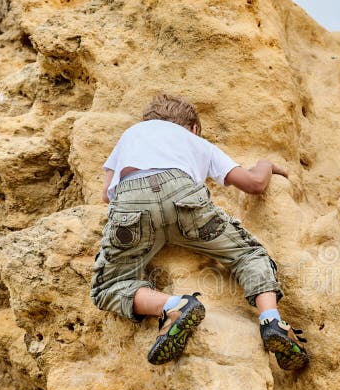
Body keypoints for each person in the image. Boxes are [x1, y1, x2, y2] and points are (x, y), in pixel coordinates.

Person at [89, 94, 308, 370]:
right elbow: (254, 183)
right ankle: (271, 320)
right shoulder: (196, 142)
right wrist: (266, 164)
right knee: (248, 254)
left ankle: (173, 305)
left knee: (108, 286)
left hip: (131, 205)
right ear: (193, 128)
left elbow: (106, 195)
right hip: (184, 198)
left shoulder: (131, 134)